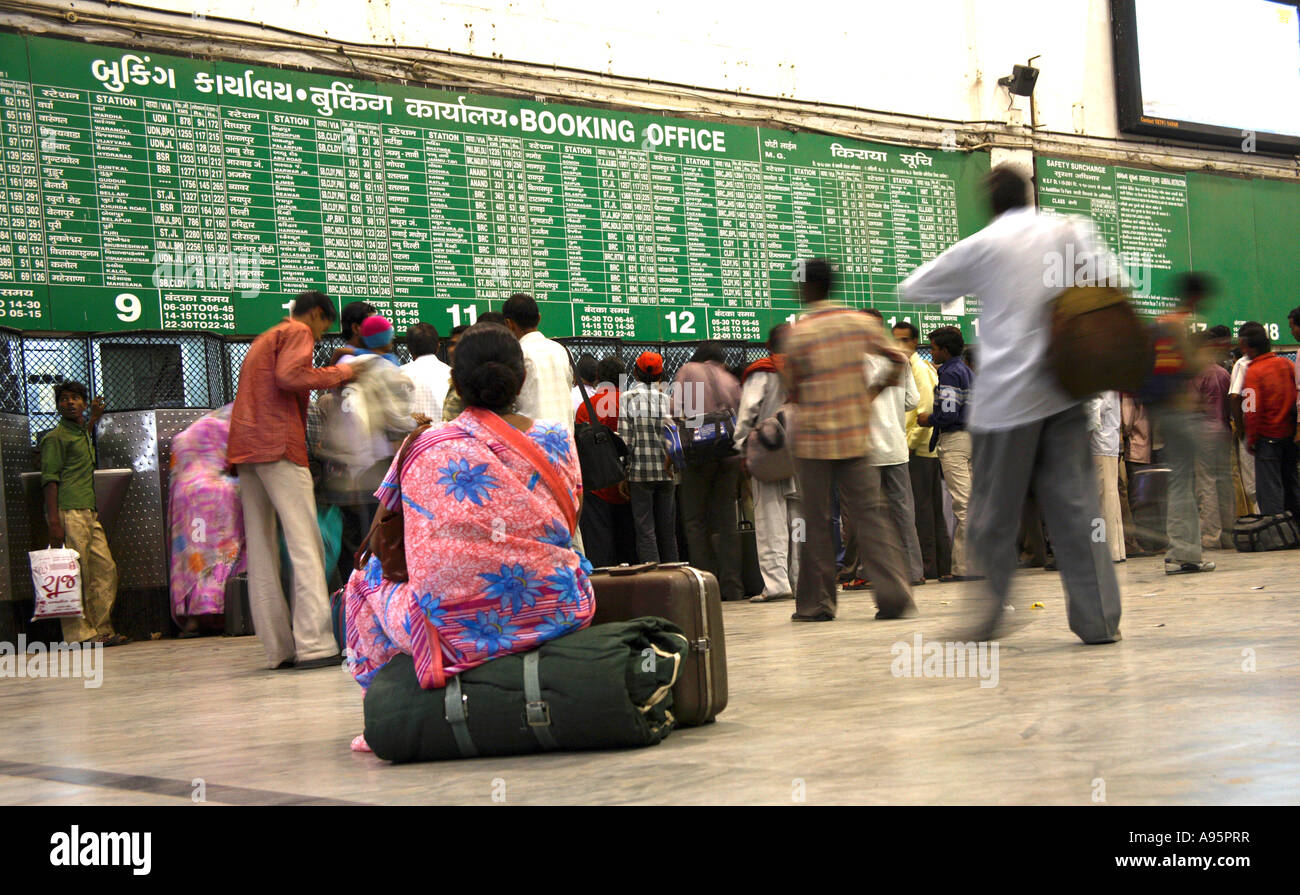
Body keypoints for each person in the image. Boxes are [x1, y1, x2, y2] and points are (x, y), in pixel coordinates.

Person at [344, 323, 594, 749]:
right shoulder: (556, 438)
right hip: (560, 605)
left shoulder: (422, 444)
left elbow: (385, 527)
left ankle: (386, 712)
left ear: (455, 382)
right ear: (522, 378)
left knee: (361, 582)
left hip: (450, 627)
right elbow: (569, 520)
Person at [899, 164, 1121, 644]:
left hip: (1005, 405)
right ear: (1030, 194)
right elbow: (1113, 284)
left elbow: (915, 286)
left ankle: (988, 616)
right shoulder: (1070, 231)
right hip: (1064, 394)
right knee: (1080, 514)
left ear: (992, 202)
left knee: (991, 517)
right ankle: (1099, 621)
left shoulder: (983, 246)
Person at [227, 291, 356, 670]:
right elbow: (291, 376)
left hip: (246, 450)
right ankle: (315, 645)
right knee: (306, 545)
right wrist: (345, 372)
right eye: (322, 330)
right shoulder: (297, 332)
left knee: (263, 551)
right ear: (316, 314)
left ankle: (279, 648)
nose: (316, 338)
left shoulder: (263, 339)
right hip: (279, 446)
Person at [783, 259, 917, 622]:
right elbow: (897, 359)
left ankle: (818, 603)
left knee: (816, 520)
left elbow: (791, 388)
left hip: (813, 441)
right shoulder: (860, 324)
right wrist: (871, 390)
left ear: (808, 289)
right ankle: (893, 596)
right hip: (856, 436)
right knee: (871, 515)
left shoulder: (800, 333)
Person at [40, 381, 128, 647]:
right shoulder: (55, 438)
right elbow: (50, 481)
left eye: (74, 398)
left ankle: (101, 629)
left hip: (89, 511)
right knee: (75, 574)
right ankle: (78, 635)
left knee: (105, 570)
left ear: (83, 403)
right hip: (69, 511)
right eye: (63, 399)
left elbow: (83, 434)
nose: (68, 402)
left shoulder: (81, 432)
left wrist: (94, 419)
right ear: (57, 406)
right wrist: (55, 522)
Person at [1143, 273, 1217, 575]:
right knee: (1186, 481)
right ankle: (1184, 554)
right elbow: (1188, 366)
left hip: (1162, 411)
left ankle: (1180, 552)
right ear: (1195, 298)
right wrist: (1209, 352)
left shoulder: (1160, 323)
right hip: (1176, 411)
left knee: (1179, 481)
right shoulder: (1176, 324)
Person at [673, 342, 745, 601]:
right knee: (726, 522)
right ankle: (732, 587)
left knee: (695, 520)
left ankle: (707, 587)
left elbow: (678, 410)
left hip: (700, 454)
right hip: (729, 454)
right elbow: (742, 414)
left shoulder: (689, 371)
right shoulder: (729, 378)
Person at [735, 324, 801, 602]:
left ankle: (776, 585)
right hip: (803, 453)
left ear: (768, 346)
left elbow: (748, 410)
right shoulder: (806, 370)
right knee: (799, 522)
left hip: (769, 453)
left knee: (770, 521)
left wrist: (741, 448)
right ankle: (802, 579)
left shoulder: (763, 370)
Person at [169, 405, 246, 635]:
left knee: (193, 557)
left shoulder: (188, 435)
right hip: (223, 498)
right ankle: (227, 612)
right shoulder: (234, 426)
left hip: (188, 502)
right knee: (227, 553)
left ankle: (194, 618)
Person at [862, 311, 925, 586]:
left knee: (871, 517)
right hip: (897, 448)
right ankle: (914, 571)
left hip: (867, 451)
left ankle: (879, 575)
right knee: (904, 514)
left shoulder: (856, 359)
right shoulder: (900, 359)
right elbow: (912, 401)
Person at [894, 322, 952, 581]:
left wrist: (909, 444)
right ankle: (940, 565)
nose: (900, 345)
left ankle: (929, 566)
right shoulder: (920, 366)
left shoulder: (917, 368)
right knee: (932, 512)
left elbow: (924, 408)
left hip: (918, 451)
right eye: (895, 340)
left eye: (905, 340)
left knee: (923, 513)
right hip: (926, 450)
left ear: (915, 342)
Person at [918, 325, 974, 579]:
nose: (931, 353)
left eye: (933, 349)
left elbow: (949, 412)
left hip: (954, 441)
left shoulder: (950, 373)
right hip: (972, 439)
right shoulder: (967, 371)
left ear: (945, 350)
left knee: (964, 505)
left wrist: (929, 418)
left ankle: (966, 568)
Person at [575, 355, 634, 567]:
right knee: (629, 540)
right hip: (627, 481)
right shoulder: (631, 402)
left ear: (599, 377)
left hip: (596, 483)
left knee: (599, 542)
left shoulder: (585, 407)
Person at [621, 352, 679, 564]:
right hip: (667, 472)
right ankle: (674, 572)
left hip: (639, 474)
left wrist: (623, 473)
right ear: (660, 375)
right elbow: (676, 439)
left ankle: (653, 577)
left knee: (645, 529)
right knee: (668, 530)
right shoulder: (668, 401)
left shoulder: (627, 399)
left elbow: (625, 441)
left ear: (635, 372)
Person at [1240, 321, 1300, 517]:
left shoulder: (1253, 372)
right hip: (1290, 436)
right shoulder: (1287, 364)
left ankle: (1276, 533)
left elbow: (1251, 411)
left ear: (1249, 347)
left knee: (1270, 489)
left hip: (1267, 439)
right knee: (1292, 485)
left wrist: (1251, 438)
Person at [503, 293, 575, 432]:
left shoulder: (517, 353)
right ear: (539, 318)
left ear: (509, 323)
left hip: (533, 440)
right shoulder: (561, 350)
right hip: (565, 440)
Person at [1192, 327, 1236, 550]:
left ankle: (1211, 536)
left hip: (1202, 435)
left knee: (1206, 485)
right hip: (1223, 431)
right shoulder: (1223, 373)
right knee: (1225, 483)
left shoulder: (1197, 374)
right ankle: (1229, 535)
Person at [1086, 390, 1125, 563]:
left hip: (1099, 445)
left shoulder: (1102, 383)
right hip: (1108, 444)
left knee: (1100, 500)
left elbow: (1095, 411)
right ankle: (1115, 549)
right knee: (1110, 498)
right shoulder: (1112, 382)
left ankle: (1103, 548)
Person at [1228, 327, 1260, 514]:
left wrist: (1239, 427)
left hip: (1249, 427)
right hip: (1271, 428)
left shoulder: (1242, 364)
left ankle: (1262, 522)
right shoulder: (1278, 362)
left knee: (1252, 483)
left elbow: (1234, 396)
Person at [402, 323, 452, 422]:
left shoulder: (399, 374)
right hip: (447, 435)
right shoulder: (452, 374)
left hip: (413, 436)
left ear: (409, 349)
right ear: (438, 346)